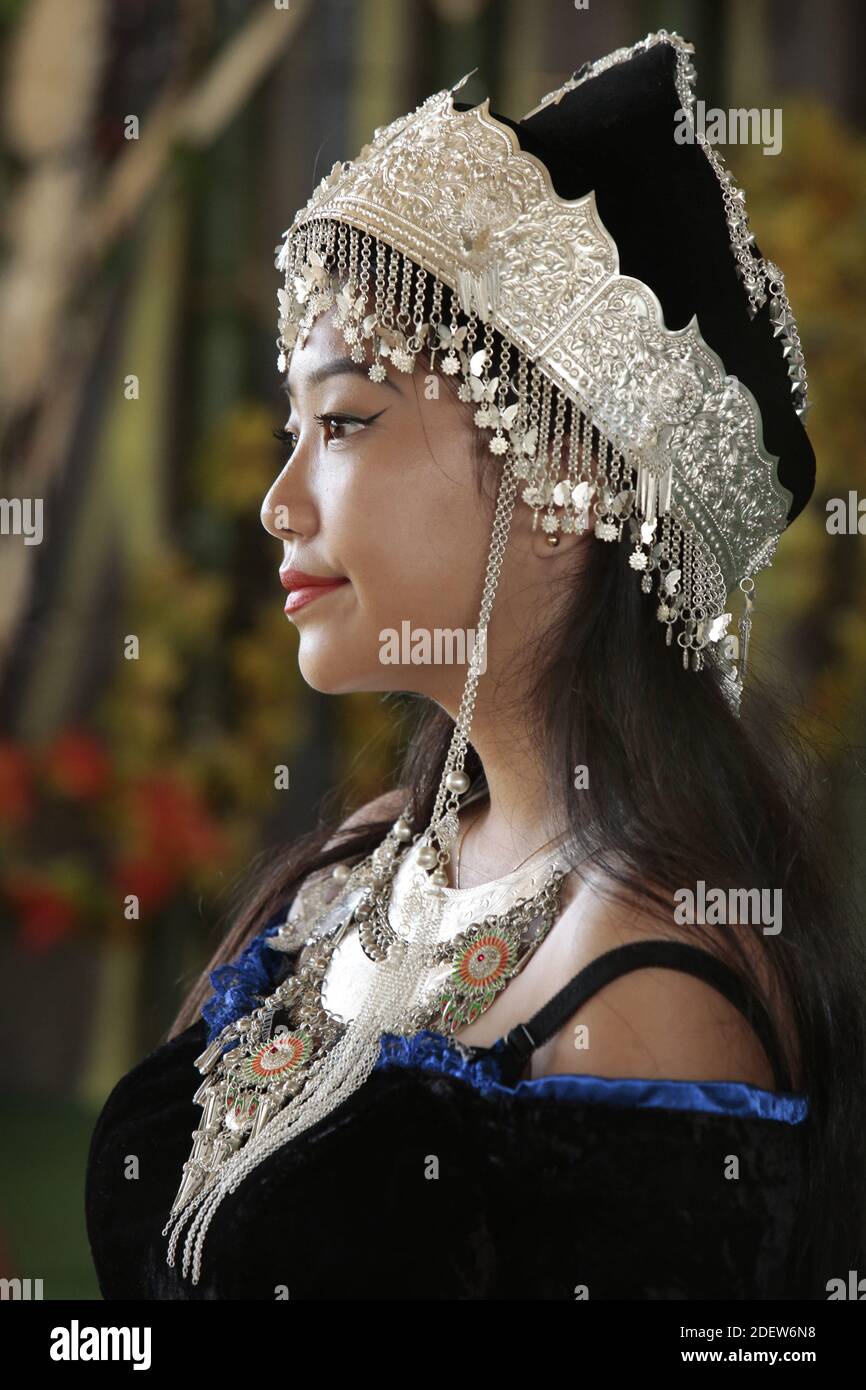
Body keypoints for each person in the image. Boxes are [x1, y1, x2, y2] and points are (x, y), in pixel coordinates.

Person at [85, 29, 866, 1300]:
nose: (278, 502)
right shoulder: (378, 855)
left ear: (563, 482)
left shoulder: (639, 1004)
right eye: (295, 429)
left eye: (342, 423)